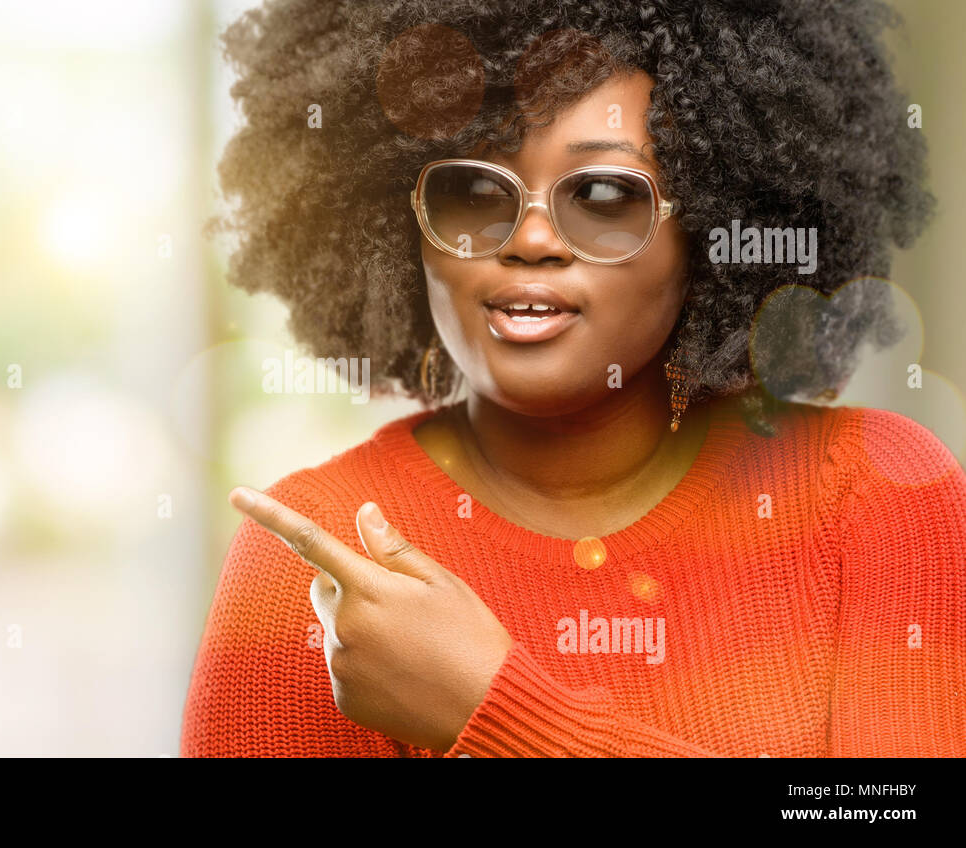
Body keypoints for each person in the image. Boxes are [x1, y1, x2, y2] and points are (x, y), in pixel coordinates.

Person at [181, 1, 965, 757]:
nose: (529, 239)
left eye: (601, 194)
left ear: (714, 226)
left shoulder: (876, 494)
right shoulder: (313, 564)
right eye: (474, 190)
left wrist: (494, 712)